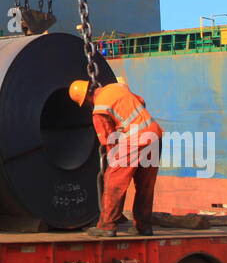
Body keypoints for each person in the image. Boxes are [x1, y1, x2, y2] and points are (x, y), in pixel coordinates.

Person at [69, 78, 163, 237]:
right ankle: (144, 227)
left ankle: (107, 226)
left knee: (113, 182)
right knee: (145, 186)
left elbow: (108, 141)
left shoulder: (99, 110)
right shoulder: (116, 87)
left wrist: (114, 161)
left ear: (86, 100)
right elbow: (141, 101)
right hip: (154, 135)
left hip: (135, 140)